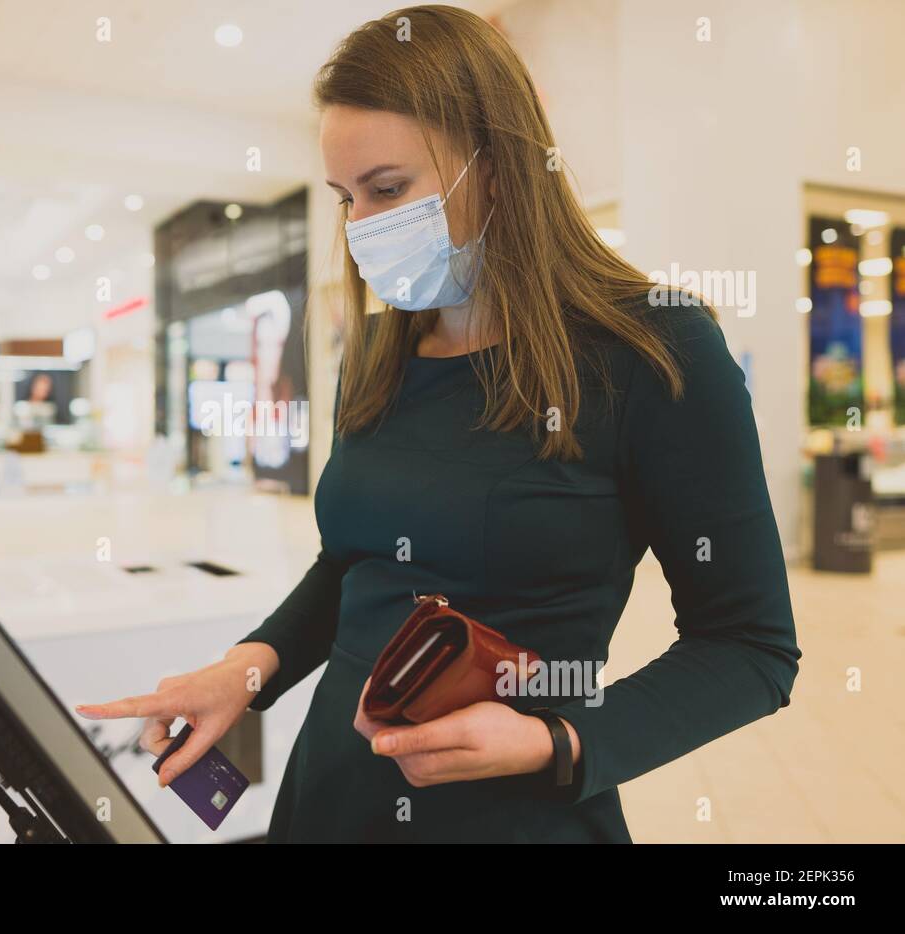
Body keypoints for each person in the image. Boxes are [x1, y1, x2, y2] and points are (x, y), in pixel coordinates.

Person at [77, 4, 801, 842]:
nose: (359, 229)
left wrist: (553, 740)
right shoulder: (382, 347)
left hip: (513, 817)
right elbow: (352, 564)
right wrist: (249, 669)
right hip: (330, 798)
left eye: (388, 190)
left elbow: (749, 646)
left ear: (498, 165)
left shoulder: (652, 347)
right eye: (345, 198)